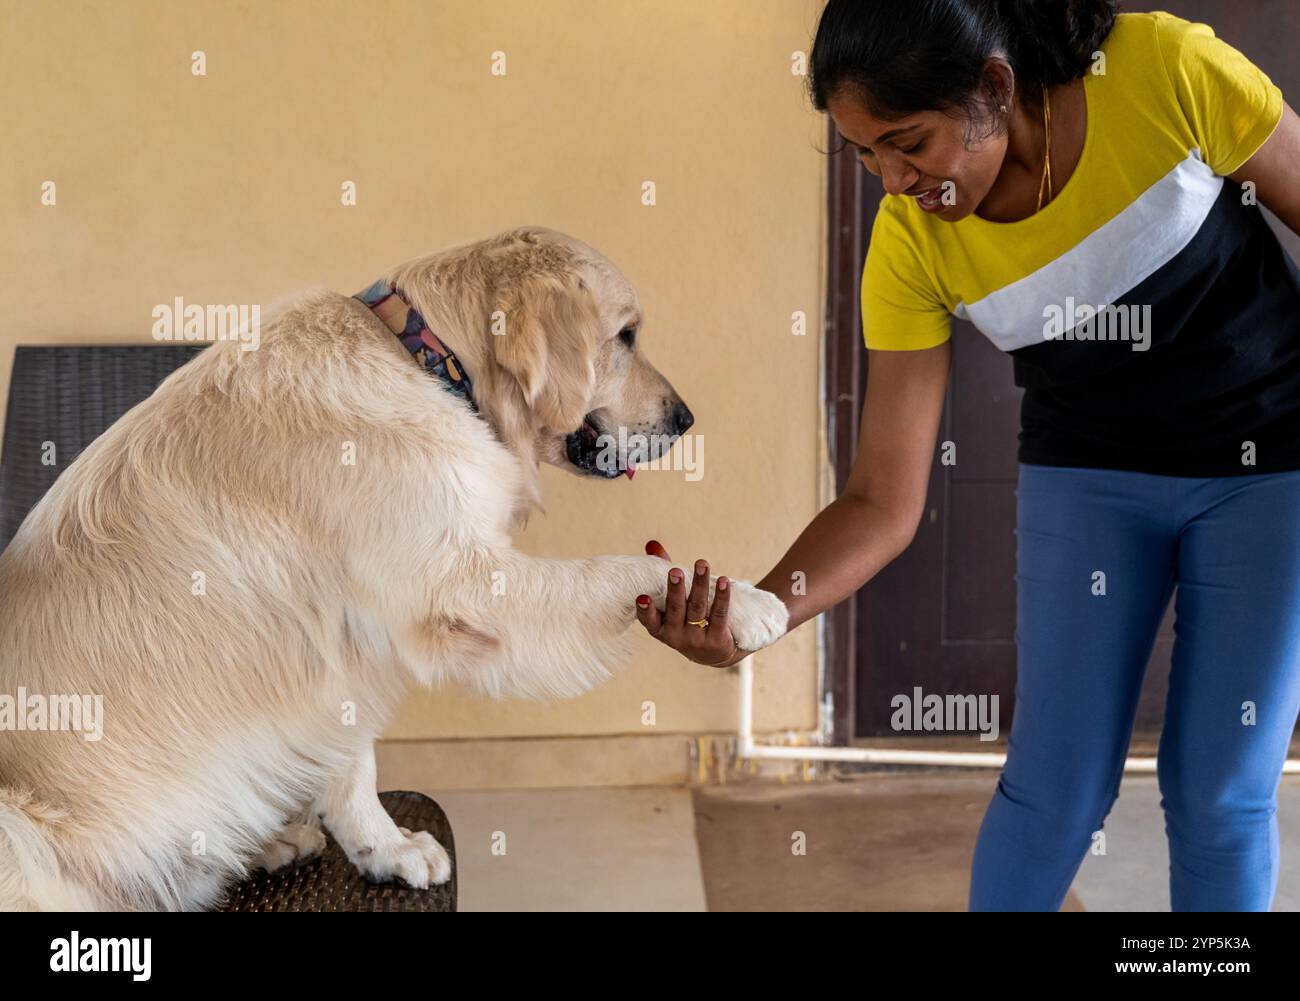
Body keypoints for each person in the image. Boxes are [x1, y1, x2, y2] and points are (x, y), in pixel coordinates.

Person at [634, 0, 1300, 911]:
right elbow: (881, 499)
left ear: (994, 83)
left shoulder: (1165, 72)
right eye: (864, 154)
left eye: (909, 143)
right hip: (1089, 478)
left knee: (1218, 790)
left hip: (1273, 465)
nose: (894, 182)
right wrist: (758, 614)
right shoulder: (912, 245)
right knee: (1050, 790)